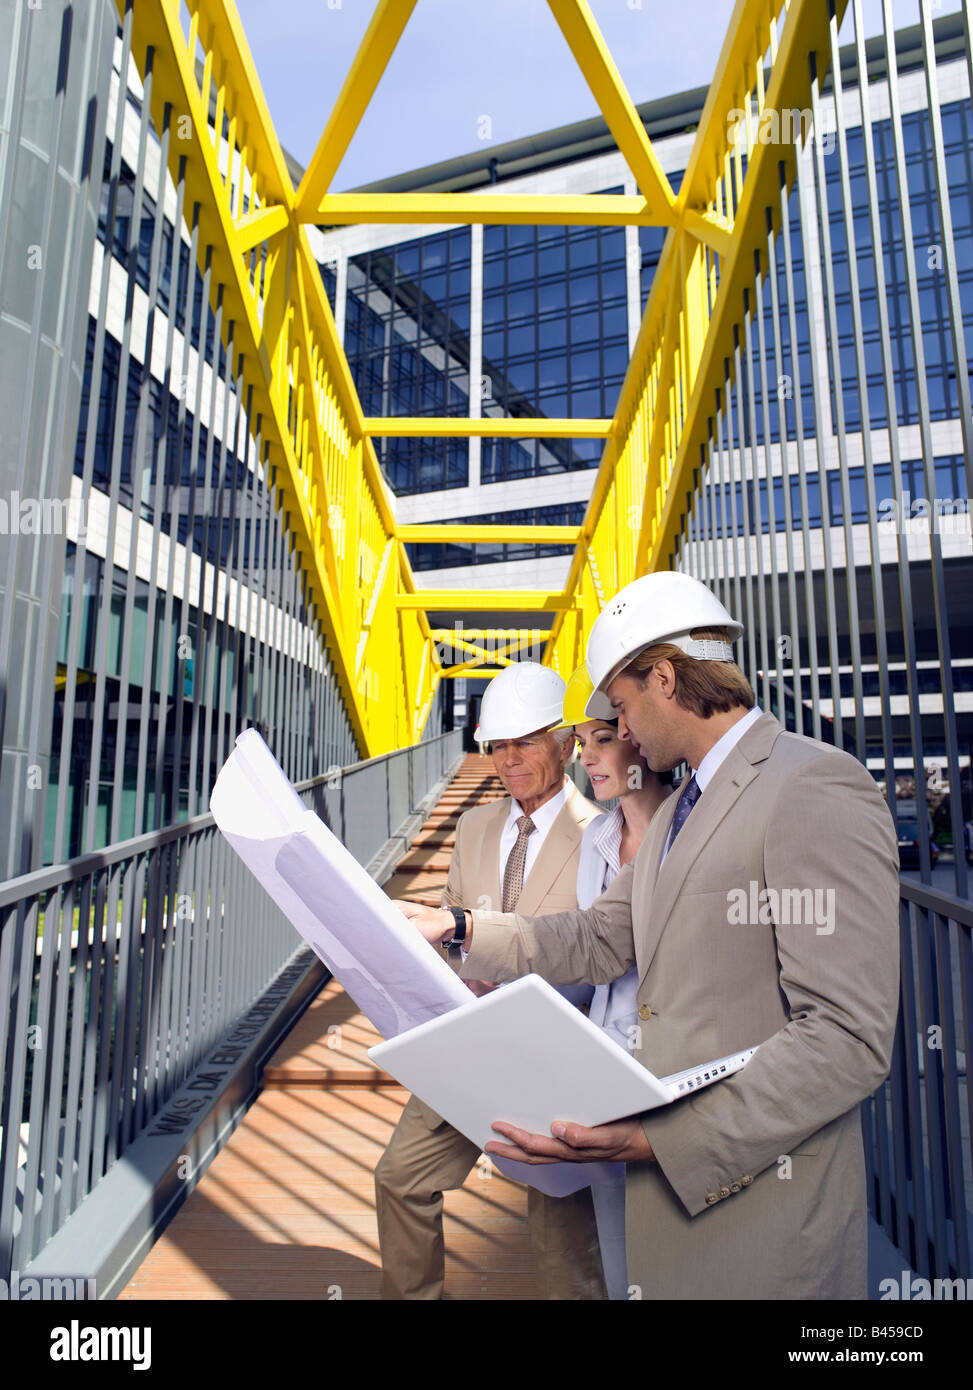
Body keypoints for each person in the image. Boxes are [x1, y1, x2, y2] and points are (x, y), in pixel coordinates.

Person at [397, 573, 900, 1300]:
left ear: (664, 678)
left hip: (762, 1225)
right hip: (671, 1218)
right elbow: (600, 939)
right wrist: (460, 927)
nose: (621, 731)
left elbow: (846, 1039)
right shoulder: (677, 810)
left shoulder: (811, 786)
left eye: (624, 706)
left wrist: (657, 1141)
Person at [375, 661, 607, 1300]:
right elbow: (449, 921)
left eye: (524, 743)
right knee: (401, 1178)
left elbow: (600, 954)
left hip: (550, 1057)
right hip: (467, 1041)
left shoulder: (603, 837)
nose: (508, 760)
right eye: (496, 746)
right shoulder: (474, 826)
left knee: (560, 1229)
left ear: (567, 745)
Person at [558, 663, 671, 1300]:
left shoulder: (693, 830)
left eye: (603, 736)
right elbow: (593, 957)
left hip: (670, 1079)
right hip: (602, 1074)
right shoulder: (597, 836)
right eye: (580, 743)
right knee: (620, 1272)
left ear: (639, 733)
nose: (588, 757)